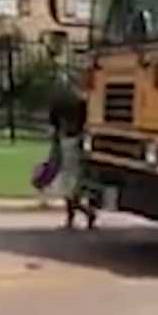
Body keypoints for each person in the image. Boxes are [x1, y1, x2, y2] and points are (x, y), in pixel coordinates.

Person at [41, 98, 97, 230]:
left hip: (76, 168)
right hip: (65, 168)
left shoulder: (80, 137)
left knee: (73, 197)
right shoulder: (60, 136)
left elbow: (85, 154)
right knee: (68, 197)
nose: (65, 123)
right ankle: (76, 218)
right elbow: (55, 153)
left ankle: (88, 214)